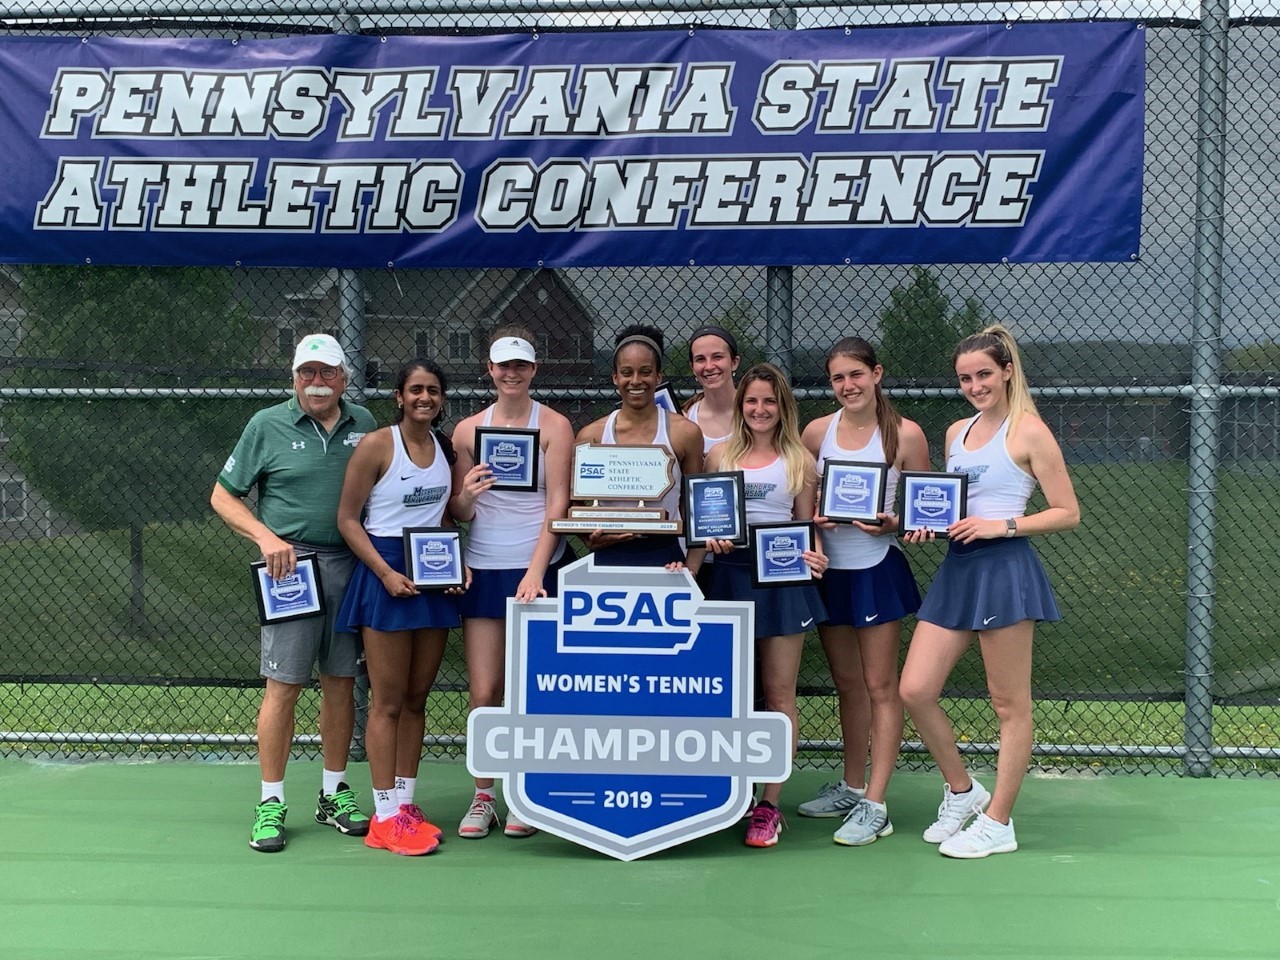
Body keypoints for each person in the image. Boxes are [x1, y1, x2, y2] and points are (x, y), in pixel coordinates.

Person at [898, 324, 1080, 859]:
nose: (975, 385)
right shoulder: (957, 432)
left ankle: (998, 822)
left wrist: (1002, 526)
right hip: (959, 569)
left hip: (1005, 570)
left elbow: (1068, 512)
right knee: (915, 690)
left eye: (984, 374)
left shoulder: (1030, 432)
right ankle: (962, 792)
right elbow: (952, 503)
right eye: (965, 378)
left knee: (1009, 704)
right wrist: (926, 523)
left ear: (1006, 371)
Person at [211, 333, 376, 854]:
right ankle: (271, 801)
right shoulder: (266, 424)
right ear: (294, 378)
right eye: (308, 372)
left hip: (350, 564)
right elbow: (223, 496)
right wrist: (266, 538)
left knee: (341, 682)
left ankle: (333, 793)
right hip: (289, 570)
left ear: (343, 379)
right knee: (283, 685)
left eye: (327, 373)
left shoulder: (366, 423)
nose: (317, 382)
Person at [687, 363, 828, 848]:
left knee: (779, 693)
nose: (760, 409)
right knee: (728, 694)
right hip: (727, 577)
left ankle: (769, 804)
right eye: (752, 401)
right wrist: (701, 555)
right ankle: (732, 792)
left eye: (769, 401)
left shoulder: (800, 460)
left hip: (781, 582)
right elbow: (704, 523)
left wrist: (815, 555)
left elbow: (806, 527)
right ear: (740, 405)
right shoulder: (720, 454)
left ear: (782, 406)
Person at [800, 338, 929, 844]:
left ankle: (876, 804)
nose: (848, 385)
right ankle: (853, 787)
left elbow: (924, 509)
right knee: (848, 684)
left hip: (876, 569)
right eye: (838, 377)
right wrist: (815, 528)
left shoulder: (905, 434)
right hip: (831, 572)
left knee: (880, 686)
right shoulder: (816, 432)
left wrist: (893, 523)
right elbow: (804, 506)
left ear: (877, 373)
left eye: (856, 374)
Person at [336, 358, 467, 856]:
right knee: (387, 702)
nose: (424, 397)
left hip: (431, 576)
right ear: (399, 396)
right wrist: (385, 573)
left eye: (433, 390)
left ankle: (406, 806)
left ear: (441, 398)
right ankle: (384, 816)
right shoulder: (377, 445)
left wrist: (456, 566)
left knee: (416, 699)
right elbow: (348, 520)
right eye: (415, 389)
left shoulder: (444, 448)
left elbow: (443, 518)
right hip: (386, 574)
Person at [449, 326, 574, 840]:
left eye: (521, 365)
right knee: (485, 690)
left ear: (534, 370)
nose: (512, 373)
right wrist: (468, 496)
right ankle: (484, 796)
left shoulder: (556, 426)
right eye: (504, 365)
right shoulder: (466, 431)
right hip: (483, 568)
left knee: (535, 689)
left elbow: (559, 504)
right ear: (490, 369)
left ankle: (528, 793)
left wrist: (536, 570)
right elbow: (458, 510)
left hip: (538, 569)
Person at [575, 324, 704, 567]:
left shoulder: (685, 433)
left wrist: (691, 567)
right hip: (609, 554)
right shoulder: (592, 435)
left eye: (645, 372)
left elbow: (694, 507)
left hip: (666, 555)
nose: (635, 381)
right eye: (627, 372)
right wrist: (588, 537)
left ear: (658, 377)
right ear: (615, 377)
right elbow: (575, 506)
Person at [682, 325, 741, 457]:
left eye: (717, 357)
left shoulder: (756, 414)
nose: (709, 366)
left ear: (734, 362)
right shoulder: (684, 420)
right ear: (692, 367)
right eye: (700, 359)